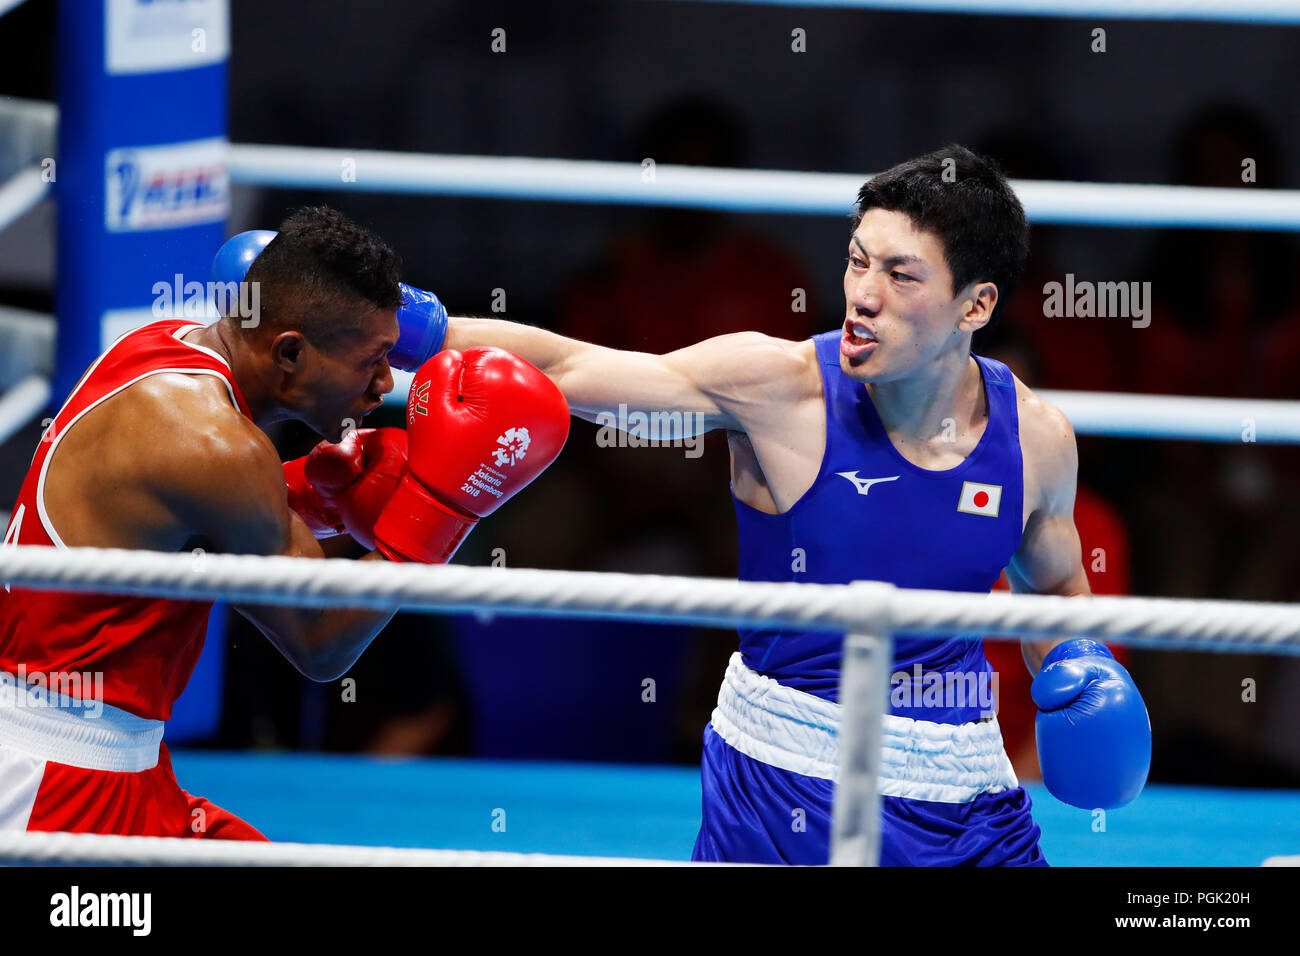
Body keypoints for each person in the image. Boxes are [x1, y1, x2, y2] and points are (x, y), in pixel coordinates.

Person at [436, 146, 1152, 864]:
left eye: (900, 274)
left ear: (977, 304)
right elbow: (571, 366)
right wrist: (405, 331)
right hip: (784, 786)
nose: (864, 294)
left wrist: (1079, 660)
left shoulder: (1038, 439)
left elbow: (1056, 586)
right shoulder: (778, 388)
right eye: (857, 260)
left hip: (964, 790)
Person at [0, 206, 569, 839]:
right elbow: (322, 643)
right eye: (372, 359)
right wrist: (443, 509)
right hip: (58, 785)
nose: (386, 384)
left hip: (116, 761)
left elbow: (182, 519)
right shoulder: (217, 446)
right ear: (291, 351)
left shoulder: (163, 346)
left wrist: (308, 494)